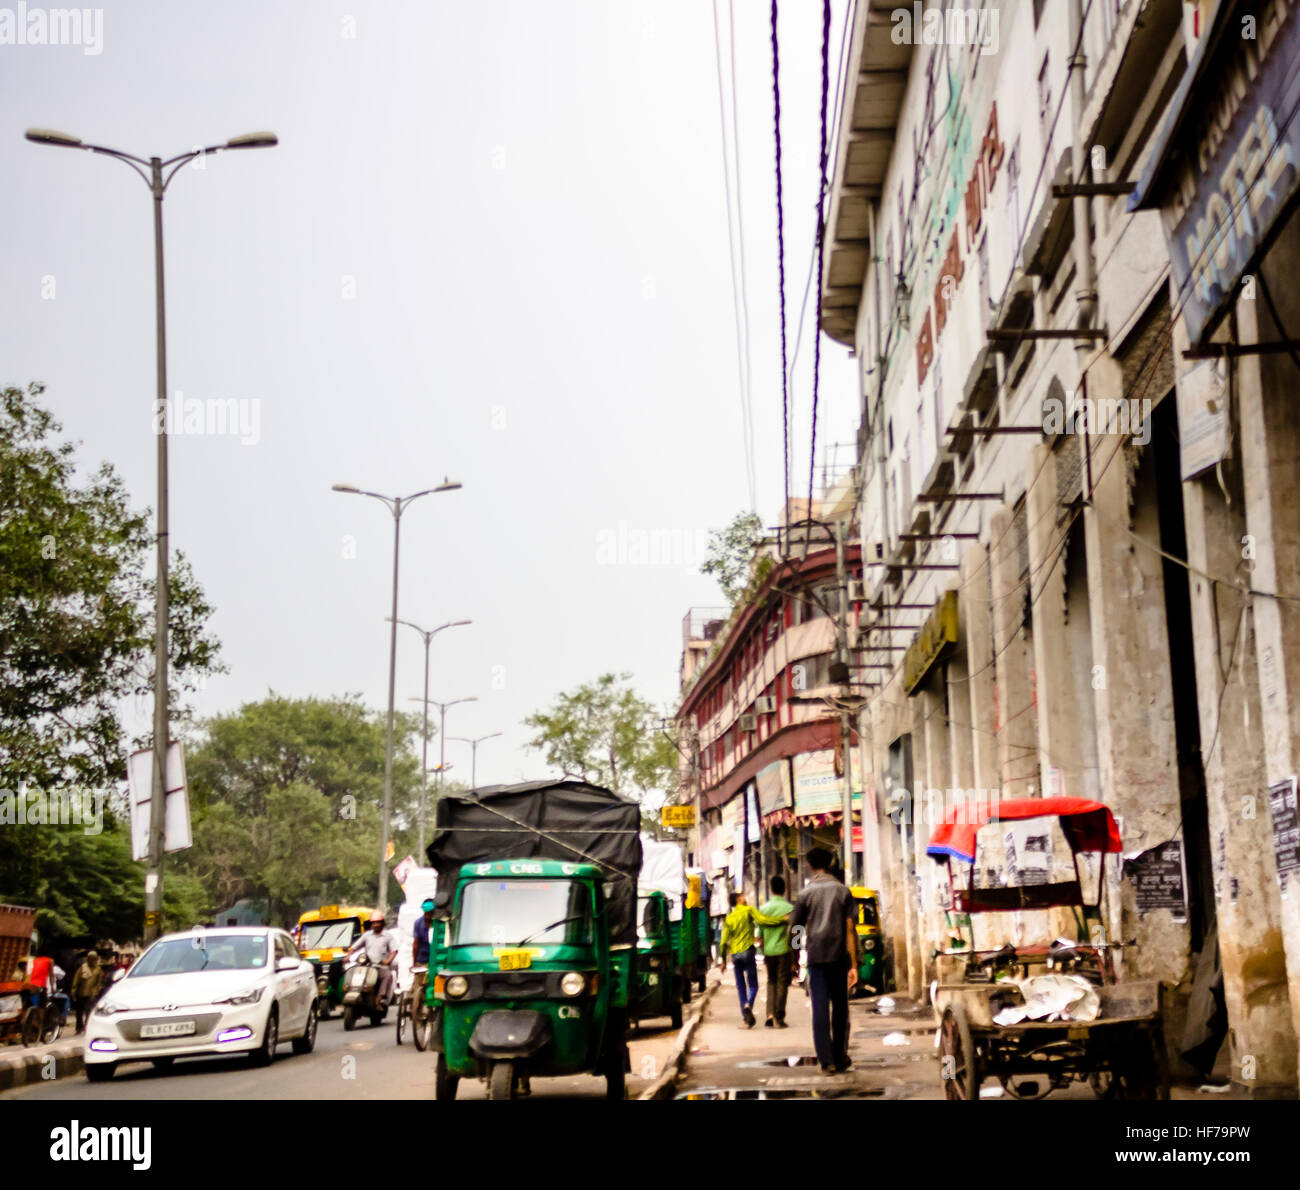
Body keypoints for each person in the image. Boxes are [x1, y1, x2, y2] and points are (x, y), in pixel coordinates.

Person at [790, 847, 859, 1073]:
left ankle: (826, 1059)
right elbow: (850, 929)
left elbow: (797, 929)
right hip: (839, 957)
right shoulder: (843, 891)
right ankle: (840, 1056)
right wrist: (854, 965)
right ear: (830, 863)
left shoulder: (805, 894)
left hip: (816, 957)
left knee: (819, 1008)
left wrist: (794, 957)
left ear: (809, 865)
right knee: (840, 1008)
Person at [758, 875, 794, 1029]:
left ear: (771, 889)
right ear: (784, 889)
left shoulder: (763, 909)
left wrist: (763, 950)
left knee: (771, 981)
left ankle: (770, 1014)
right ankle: (779, 1017)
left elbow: (759, 934)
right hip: (785, 951)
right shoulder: (790, 909)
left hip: (769, 951)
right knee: (782, 983)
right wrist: (796, 955)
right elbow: (796, 932)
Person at [348, 913, 396, 1006]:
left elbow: (394, 951)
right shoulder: (367, 935)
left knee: (387, 976)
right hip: (368, 966)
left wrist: (388, 960)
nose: (376, 925)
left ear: (382, 923)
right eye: (374, 923)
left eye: (378, 923)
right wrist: (348, 956)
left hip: (381, 966)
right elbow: (354, 947)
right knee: (354, 973)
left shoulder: (388, 936)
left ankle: (381, 997)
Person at [71, 950, 103, 1034]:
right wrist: (73, 991)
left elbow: (98, 983)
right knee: (79, 1012)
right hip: (81, 992)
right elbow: (76, 980)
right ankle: (79, 1028)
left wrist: (96, 992)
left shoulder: (98, 969)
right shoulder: (82, 968)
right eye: (90, 958)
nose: (92, 960)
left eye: (93, 959)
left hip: (92, 993)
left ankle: (87, 1026)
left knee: (89, 1011)